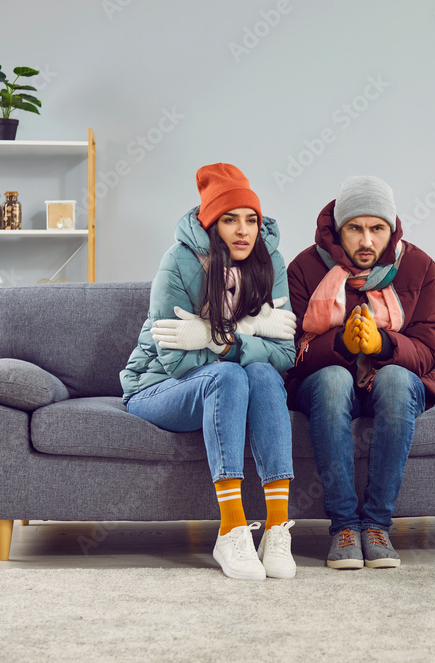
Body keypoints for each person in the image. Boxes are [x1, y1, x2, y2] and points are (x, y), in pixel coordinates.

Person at [120, 163, 297, 581]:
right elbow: (176, 361)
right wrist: (250, 331)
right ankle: (231, 529)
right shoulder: (178, 262)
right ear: (211, 224)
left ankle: (277, 528)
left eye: (251, 219)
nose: (243, 231)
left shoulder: (269, 260)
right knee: (231, 376)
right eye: (230, 220)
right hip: (157, 388)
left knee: (264, 376)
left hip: (224, 379)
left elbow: (284, 355)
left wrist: (221, 338)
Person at [286, 175, 435, 570]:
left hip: (393, 384)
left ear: (392, 229)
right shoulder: (304, 268)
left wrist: (383, 345)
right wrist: (341, 343)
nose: (367, 240)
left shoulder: (419, 267)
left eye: (377, 228)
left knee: (395, 379)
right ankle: (343, 527)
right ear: (338, 230)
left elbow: (429, 352)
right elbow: (289, 355)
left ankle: (375, 526)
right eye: (355, 228)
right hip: (324, 386)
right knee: (333, 379)